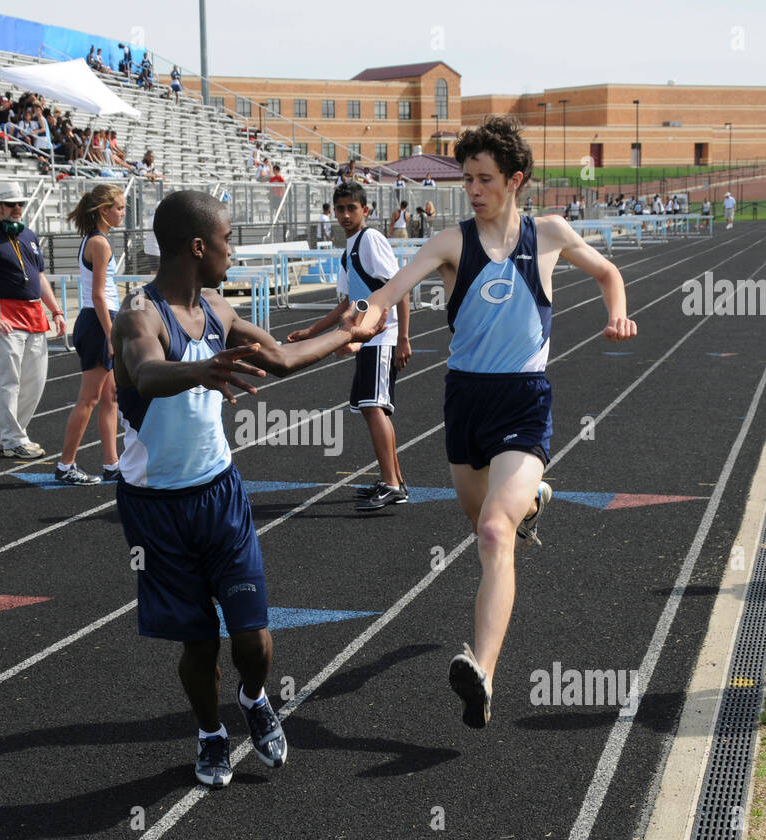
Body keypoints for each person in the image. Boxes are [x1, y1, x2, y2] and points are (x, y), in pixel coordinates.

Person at [344, 116, 634, 728]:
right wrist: (367, 319)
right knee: (480, 522)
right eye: (466, 178)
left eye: (484, 179)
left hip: (523, 402)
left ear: (515, 180)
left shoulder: (549, 234)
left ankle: (482, 670)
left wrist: (618, 315)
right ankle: (530, 503)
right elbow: (390, 290)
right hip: (464, 403)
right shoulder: (449, 244)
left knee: (494, 537)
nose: (472, 190)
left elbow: (609, 273)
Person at [110, 190, 382, 786]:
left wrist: (348, 333)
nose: (235, 251)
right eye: (229, 241)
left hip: (220, 494)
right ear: (199, 246)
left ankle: (254, 699)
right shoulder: (138, 316)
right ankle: (210, 734)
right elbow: (144, 371)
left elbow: (282, 357)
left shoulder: (215, 309)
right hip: (156, 508)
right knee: (199, 643)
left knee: (254, 638)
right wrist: (198, 371)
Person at [288, 181, 411, 510]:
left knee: (374, 407)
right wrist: (311, 331)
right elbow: (346, 303)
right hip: (367, 338)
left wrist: (402, 338)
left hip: (382, 336)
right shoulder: (349, 250)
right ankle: (395, 481)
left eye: (351, 208)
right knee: (373, 408)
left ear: (365, 210)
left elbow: (400, 287)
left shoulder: (370, 239)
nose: (344, 214)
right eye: (339, 208)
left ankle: (391, 483)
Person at [0, 182, 66, 458]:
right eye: (11, 204)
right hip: (6, 315)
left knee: (35, 381)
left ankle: (16, 434)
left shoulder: (29, 235)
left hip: (33, 314)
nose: (17, 209)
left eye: (19, 204)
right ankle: (12, 439)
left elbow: (39, 277)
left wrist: (56, 310)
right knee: (7, 380)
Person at [56, 185, 125, 485]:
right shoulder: (100, 243)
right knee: (89, 399)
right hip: (99, 322)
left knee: (111, 397)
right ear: (104, 211)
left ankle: (112, 464)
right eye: (120, 208)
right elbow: (98, 296)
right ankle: (64, 465)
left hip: (100, 320)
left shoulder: (95, 240)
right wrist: (111, 335)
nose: (124, 212)